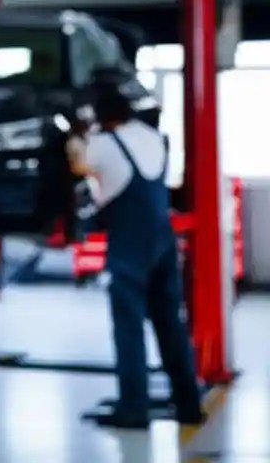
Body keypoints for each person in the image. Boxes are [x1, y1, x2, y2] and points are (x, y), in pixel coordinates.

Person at [71, 85, 205, 429]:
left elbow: (76, 165)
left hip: (130, 242)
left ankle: (133, 408)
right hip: (163, 239)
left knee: (128, 326)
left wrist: (76, 135)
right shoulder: (152, 136)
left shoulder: (102, 144)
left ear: (102, 118)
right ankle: (189, 404)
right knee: (170, 323)